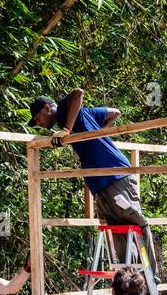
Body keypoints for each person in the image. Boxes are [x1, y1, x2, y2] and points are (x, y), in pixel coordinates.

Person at [27, 88, 157, 269]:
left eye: (37, 118)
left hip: (115, 174)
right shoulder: (84, 114)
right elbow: (114, 113)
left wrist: (67, 130)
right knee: (115, 229)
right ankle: (129, 281)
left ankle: (152, 276)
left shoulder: (64, 110)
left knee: (137, 223)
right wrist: (93, 136)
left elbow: (78, 93)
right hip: (99, 182)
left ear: (48, 108)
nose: (38, 123)